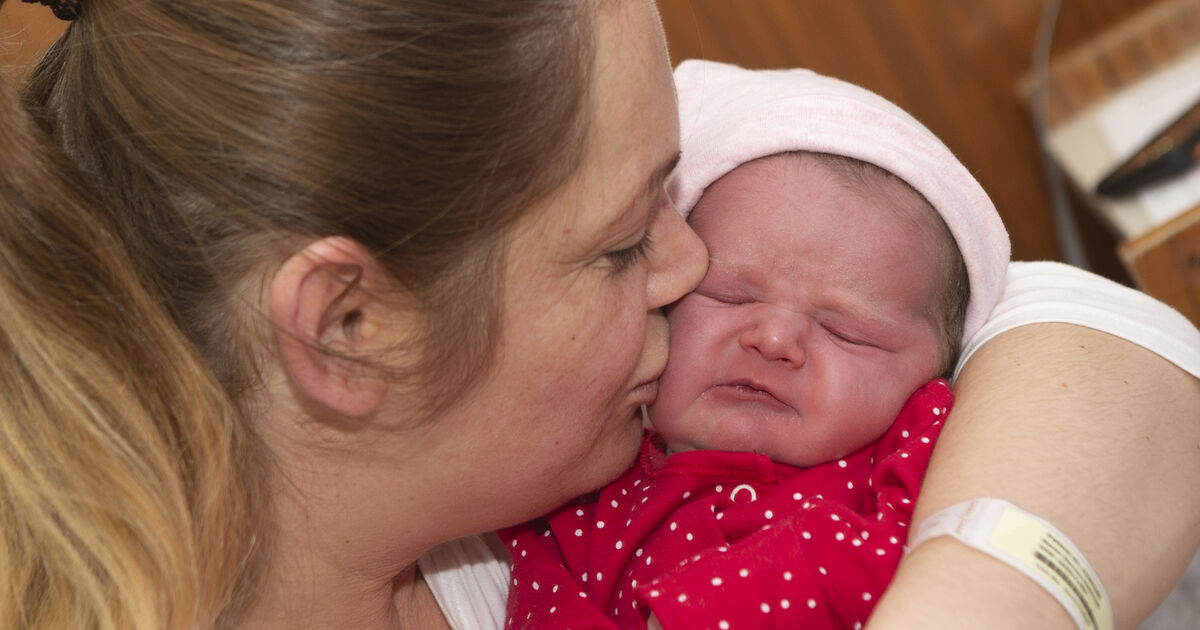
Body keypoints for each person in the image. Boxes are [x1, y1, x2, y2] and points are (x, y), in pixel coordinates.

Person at [1, 1, 1197, 630]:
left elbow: (1069, 324)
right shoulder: (515, 536)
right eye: (625, 241)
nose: (690, 265)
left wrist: (980, 601)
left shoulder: (503, 494)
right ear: (348, 327)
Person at [501, 65, 1009, 629]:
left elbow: (965, 545)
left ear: (937, 372)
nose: (772, 340)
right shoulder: (582, 494)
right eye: (729, 296)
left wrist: (716, 605)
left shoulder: (917, 452)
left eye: (848, 333)